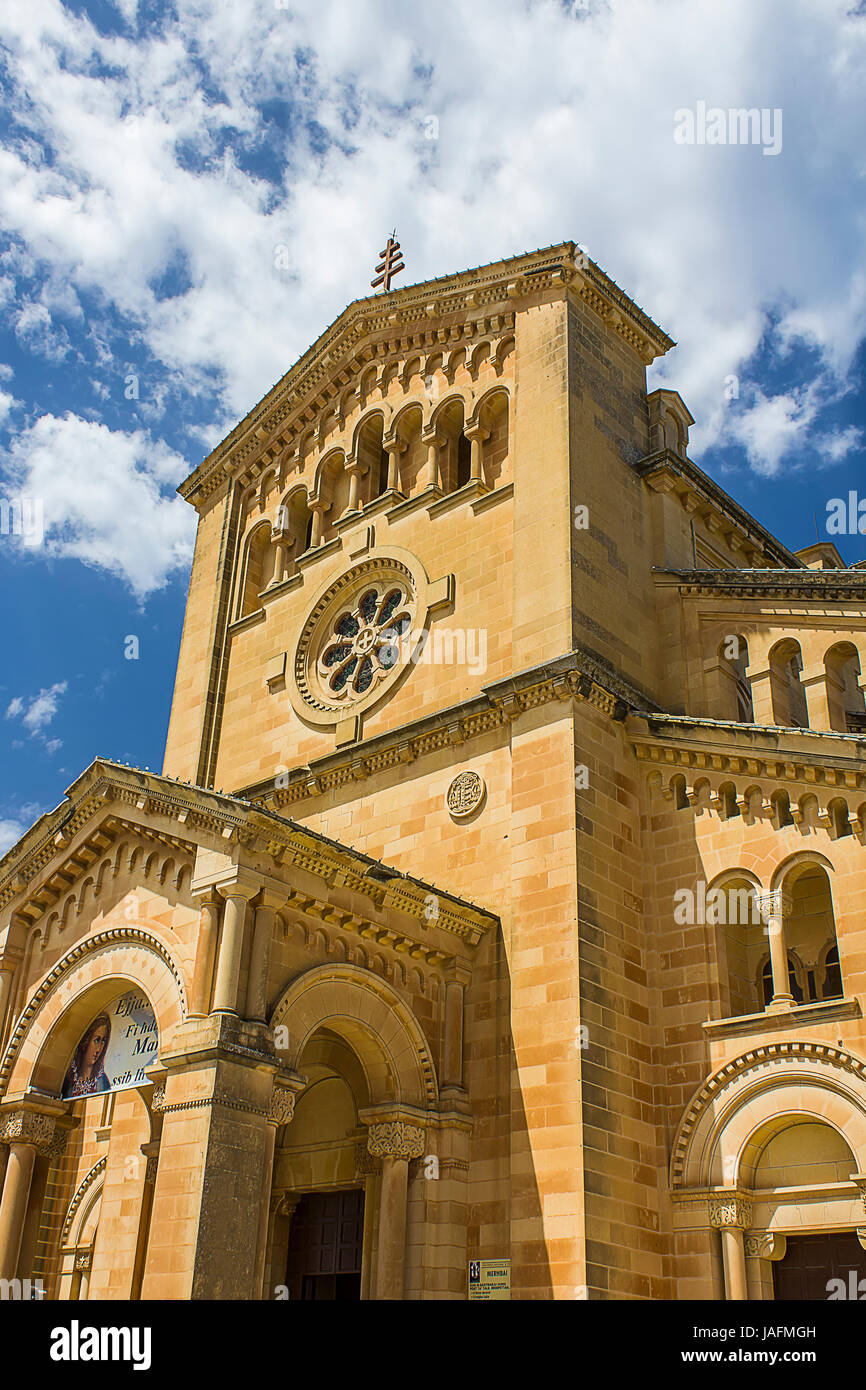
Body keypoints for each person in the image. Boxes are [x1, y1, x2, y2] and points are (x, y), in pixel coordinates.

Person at [61, 1014, 113, 1098]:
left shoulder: (102, 1081)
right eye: (96, 1040)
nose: (99, 1048)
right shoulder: (68, 1078)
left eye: (103, 1041)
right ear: (86, 1040)